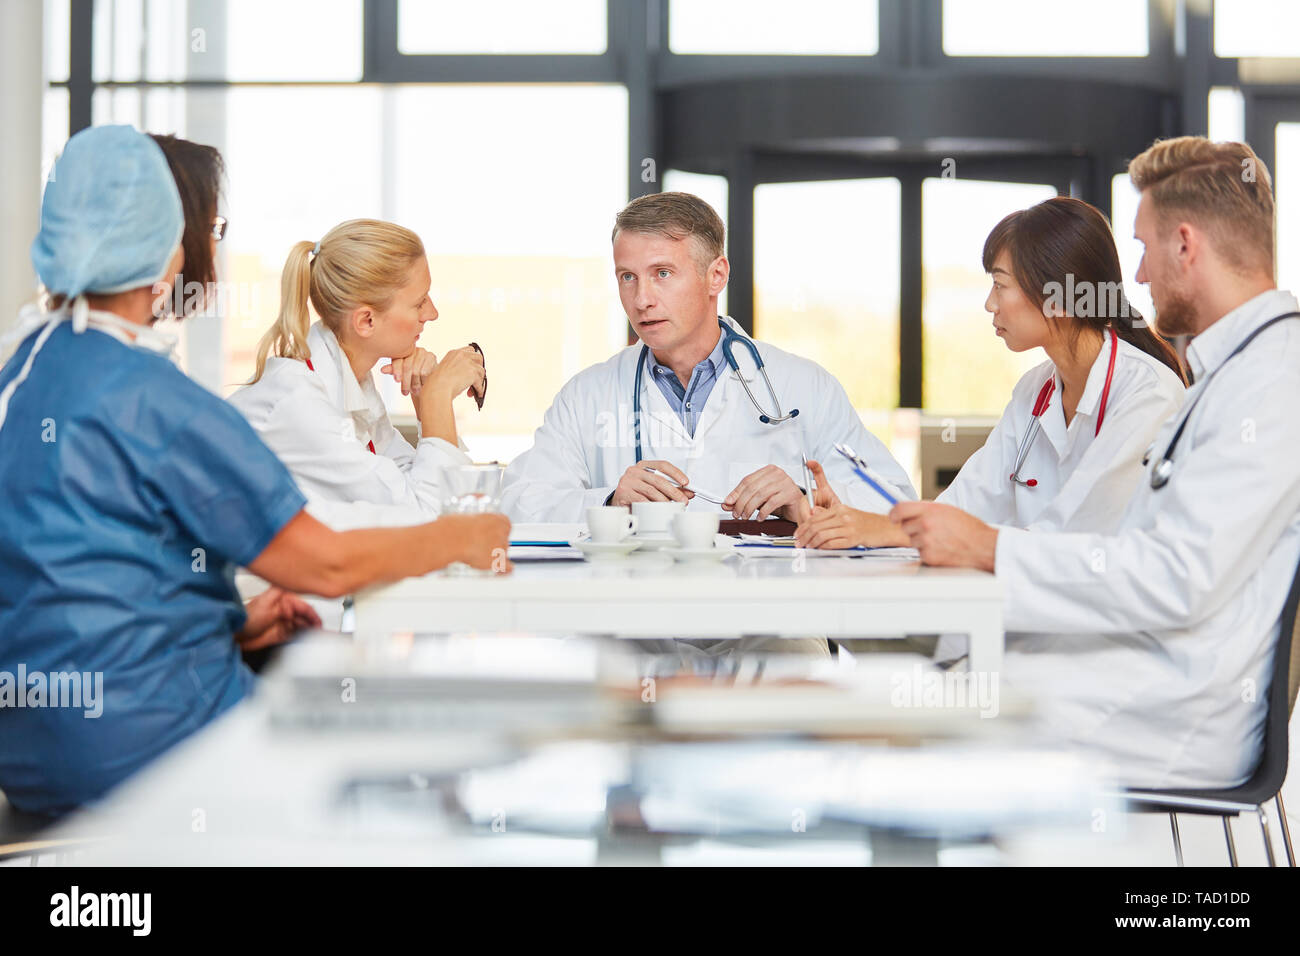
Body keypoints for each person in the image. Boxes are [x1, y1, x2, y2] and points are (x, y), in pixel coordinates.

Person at [0, 127, 509, 816]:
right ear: (170, 246)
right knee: (409, 770)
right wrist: (462, 536)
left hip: (33, 756)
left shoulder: (23, 371)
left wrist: (231, 627)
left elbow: (65, 583)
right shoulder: (155, 398)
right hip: (154, 751)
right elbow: (322, 566)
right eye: (209, 229)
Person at [890, 137, 1300, 788]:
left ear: (1185, 245)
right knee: (919, 690)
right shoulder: (1232, 374)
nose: (1134, 278)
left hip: (1182, 701)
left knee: (921, 716)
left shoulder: (1274, 379)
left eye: (1142, 248)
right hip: (1145, 661)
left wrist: (993, 550)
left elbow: (1176, 575)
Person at [796, 197, 1186, 550]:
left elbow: (1071, 536)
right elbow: (962, 505)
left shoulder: (1148, 394)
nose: (989, 303)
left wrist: (888, 530)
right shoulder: (1035, 391)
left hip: (1105, 623)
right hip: (1025, 613)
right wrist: (851, 516)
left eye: (1000, 285)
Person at [501, 192, 915, 524]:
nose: (642, 299)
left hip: (766, 620)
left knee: (786, 636)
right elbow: (519, 504)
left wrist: (803, 500)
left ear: (716, 275)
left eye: (663, 273)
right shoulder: (586, 395)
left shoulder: (805, 386)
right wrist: (608, 500)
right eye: (628, 277)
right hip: (634, 622)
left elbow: (897, 506)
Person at [229, 219, 486, 525]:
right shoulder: (300, 402)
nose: (432, 313)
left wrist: (424, 398)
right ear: (366, 321)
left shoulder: (353, 381)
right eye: (419, 303)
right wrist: (437, 397)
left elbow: (455, 500)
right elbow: (430, 520)